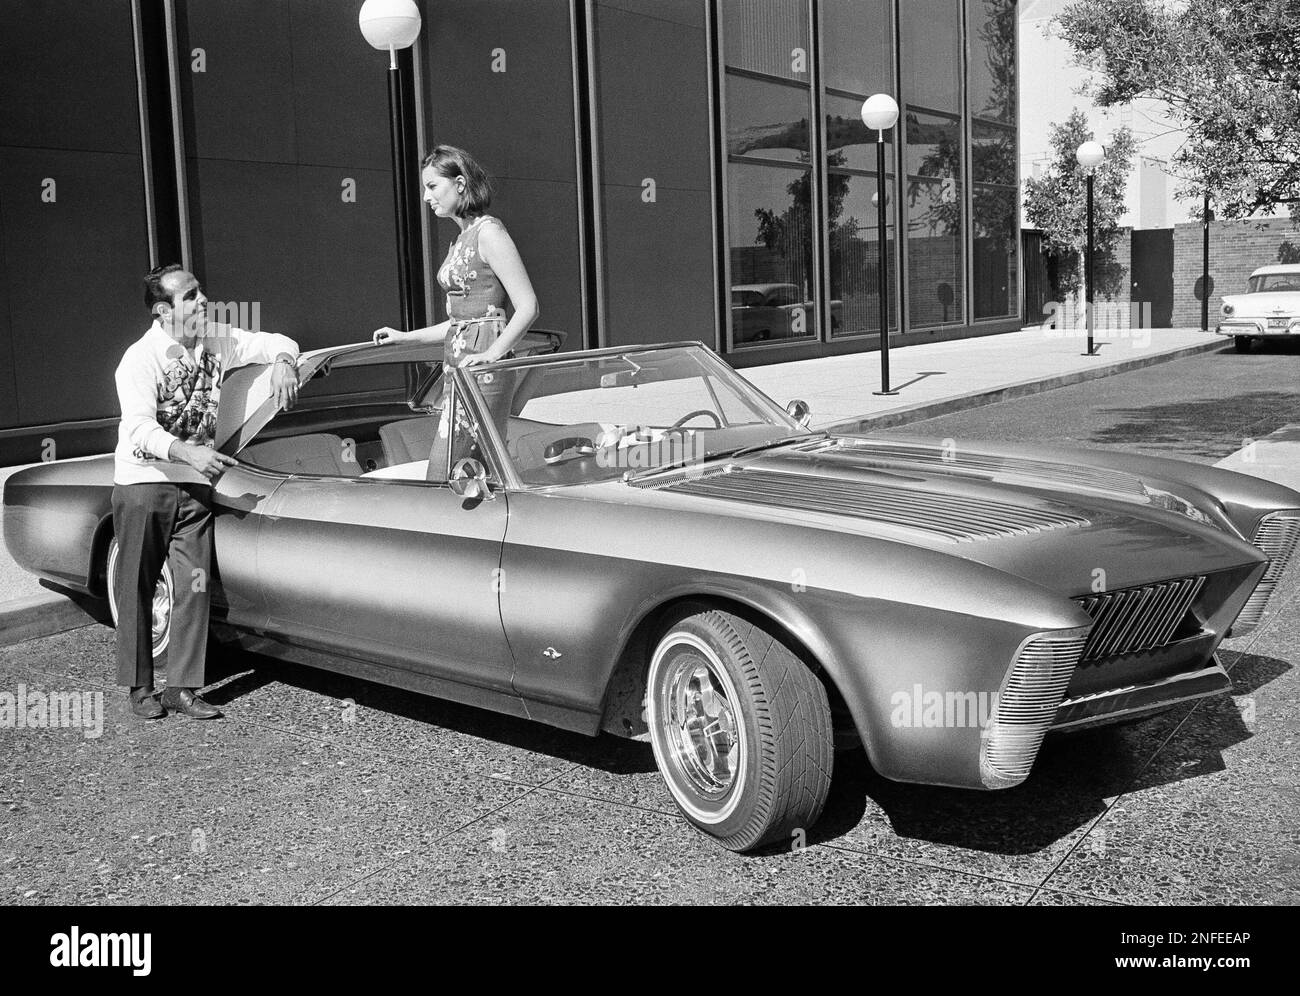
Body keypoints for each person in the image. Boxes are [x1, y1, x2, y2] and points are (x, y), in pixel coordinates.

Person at [114, 264, 300, 719]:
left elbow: (278, 341)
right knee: (138, 584)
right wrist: (188, 453)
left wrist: (283, 363)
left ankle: (181, 688)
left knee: (194, 586)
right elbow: (138, 427)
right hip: (145, 484)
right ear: (163, 310)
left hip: (196, 487)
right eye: (191, 296)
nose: (203, 301)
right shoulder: (139, 358)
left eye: (201, 292)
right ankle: (140, 688)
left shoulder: (219, 339)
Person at [372, 145, 539, 480]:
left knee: (449, 470)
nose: (425, 196)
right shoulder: (462, 238)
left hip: (483, 365)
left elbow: (528, 306)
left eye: (433, 186)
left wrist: (492, 354)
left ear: (460, 184)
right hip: (459, 361)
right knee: (465, 471)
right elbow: (458, 322)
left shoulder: (489, 232)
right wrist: (405, 337)